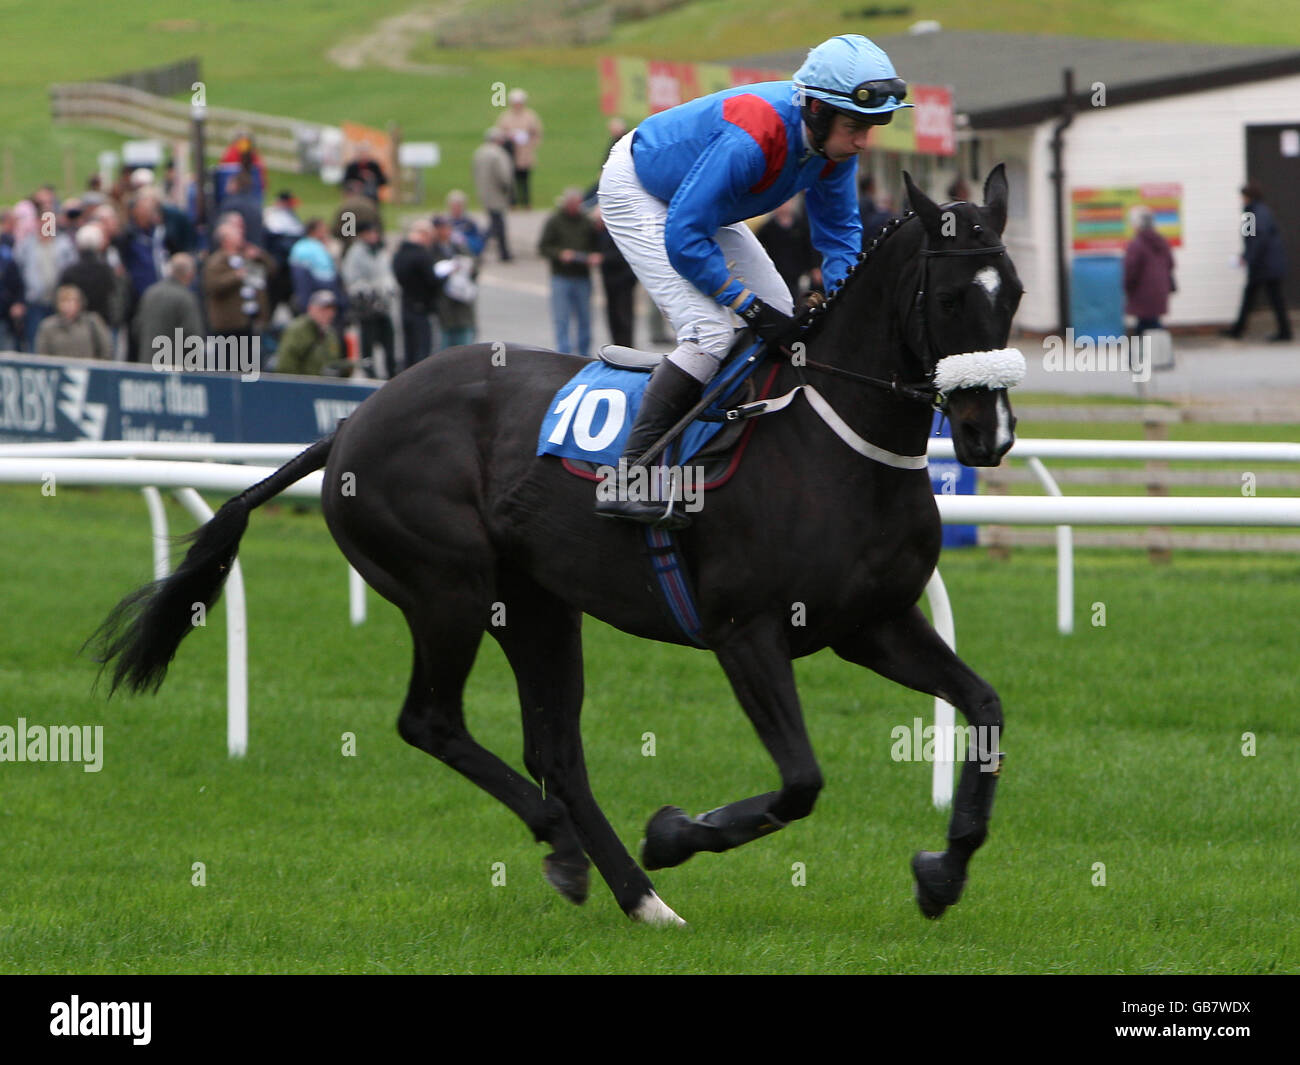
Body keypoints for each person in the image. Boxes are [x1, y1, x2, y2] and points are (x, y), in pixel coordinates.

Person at [594, 33, 908, 525]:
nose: (864, 141)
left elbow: (841, 235)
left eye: (873, 127)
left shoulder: (832, 146)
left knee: (783, 314)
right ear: (818, 112)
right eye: (856, 126)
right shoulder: (754, 135)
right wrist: (748, 307)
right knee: (712, 330)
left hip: (700, 203)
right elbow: (684, 237)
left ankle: (741, 445)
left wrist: (840, 300)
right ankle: (628, 475)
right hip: (642, 190)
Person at [1223, 181, 1292, 342]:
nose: (1241, 199)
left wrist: (1247, 258)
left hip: (1263, 264)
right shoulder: (1259, 211)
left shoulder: (1252, 213)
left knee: (1260, 297)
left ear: (1248, 196)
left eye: (1243, 196)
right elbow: (1252, 239)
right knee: (1270, 298)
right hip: (1268, 263)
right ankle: (1283, 331)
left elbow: (1255, 239)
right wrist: (1246, 256)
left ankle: (1239, 330)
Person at [538, 188, 600, 358]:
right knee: (562, 318)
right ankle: (563, 354)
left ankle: (584, 355)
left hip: (582, 276)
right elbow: (543, 247)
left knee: (585, 318)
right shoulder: (555, 221)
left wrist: (593, 256)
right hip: (561, 276)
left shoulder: (586, 222)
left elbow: (596, 245)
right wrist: (560, 254)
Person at [340, 221, 398, 377]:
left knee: (389, 341)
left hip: (383, 305)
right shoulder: (356, 252)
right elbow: (351, 278)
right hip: (366, 306)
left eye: (375, 233)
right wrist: (366, 289)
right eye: (369, 233)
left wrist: (389, 287)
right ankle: (369, 373)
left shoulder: (380, 251)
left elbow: (387, 273)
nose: (373, 236)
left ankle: (391, 372)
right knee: (367, 343)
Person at [134, 253, 204, 359]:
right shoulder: (186, 298)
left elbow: (136, 328)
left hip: (146, 362)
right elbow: (193, 336)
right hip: (173, 368)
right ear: (190, 274)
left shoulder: (150, 292)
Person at [392, 218, 439, 366]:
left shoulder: (400, 254)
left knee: (408, 349)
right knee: (422, 350)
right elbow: (432, 281)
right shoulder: (421, 255)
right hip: (421, 308)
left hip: (405, 305)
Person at [1123, 207, 1175, 336]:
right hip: (1160, 290)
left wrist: (1126, 287)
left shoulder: (1136, 244)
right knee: (1149, 324)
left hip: (1142, 293)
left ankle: (1149, 354)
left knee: (1148, 325)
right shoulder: (1162, 241)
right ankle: (1142, 354)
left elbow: (1131, 271)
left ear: (1136, 225)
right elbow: (1171, 263)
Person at [274, 290, 349, 376]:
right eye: (323, 309)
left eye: (332, 310)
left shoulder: (331, 334)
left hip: (325, 386)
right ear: (311, 308)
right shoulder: (298, 330)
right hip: (302, 385)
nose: (328, 314)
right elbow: (285, 365)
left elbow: (334, 363)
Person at [430, 214, 477, 350]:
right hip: (444, 307)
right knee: (444, 348)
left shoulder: (459, 246)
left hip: (463, 305)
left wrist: (468, 268)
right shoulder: (432, 249)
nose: (445, 231)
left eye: (447, 227)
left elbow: (474, 266)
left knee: (465, 348)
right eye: (441, 228)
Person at [757, 198, 820, 298]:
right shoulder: (767, 229)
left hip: (800, 273)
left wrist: (815, 267)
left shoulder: (802, 225)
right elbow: (759, 251)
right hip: (778, 273)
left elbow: (811, 248)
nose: (783, 206)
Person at [593, 206, 637, 348]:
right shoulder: (600, 233)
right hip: (609, 279)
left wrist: (603, 258)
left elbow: (623, 255)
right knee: (612, 315)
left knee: (624, 316)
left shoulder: (620, 231)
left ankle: (626, 346)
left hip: (624, 279)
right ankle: (617, 345)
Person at [34, 284, 112, 360]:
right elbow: (42, 353)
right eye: (65, 301)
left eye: (73, 301)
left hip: (88, 368)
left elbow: (106, 348)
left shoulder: (92, 322)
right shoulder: (48, 326)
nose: (70, 305)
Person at [495, 89, 543, 208]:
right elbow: (499, 133)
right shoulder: (505, 117)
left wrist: (530, 143)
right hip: (510, 153)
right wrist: (509, 137)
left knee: (525, 180)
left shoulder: (530, 116)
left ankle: (526, 202)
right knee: (511, 179)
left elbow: (537, 133)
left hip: (525, 153)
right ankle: (512, 202)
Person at [472, 128, 514, 261]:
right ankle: (485, 248)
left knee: (496, 222)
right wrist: (508, 190)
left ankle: (503, 252)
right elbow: (504, 176)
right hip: (497, 194)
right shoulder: (498, 154)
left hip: (484, 193)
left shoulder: (479, 152)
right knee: (497, 224)